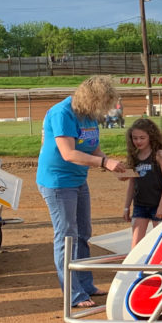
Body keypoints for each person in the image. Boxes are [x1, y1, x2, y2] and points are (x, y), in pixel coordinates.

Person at [37, 75, 127, 309]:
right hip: (57, 181)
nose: (105, 108)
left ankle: (85, 283)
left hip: (77, 179)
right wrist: (105, 163)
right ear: (92, 98)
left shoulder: (88, 114)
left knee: (83, 232)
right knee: (66, 235)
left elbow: (91, 145)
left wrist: (113, 166)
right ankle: (73, 293)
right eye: (103, 102)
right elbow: (69, 153)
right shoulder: (62, 112)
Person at [122, 118, 162, 248]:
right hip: (140, 205)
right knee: (136, 244)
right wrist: (127, 207)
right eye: (135, 138)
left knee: (161, 243)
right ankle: (136, 268)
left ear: (151, 137)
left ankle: (161, 268)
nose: (138, 141)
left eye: (142, 138)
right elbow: (131, 184)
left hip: (157, 204)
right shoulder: (134, 156)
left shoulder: (159, 155)